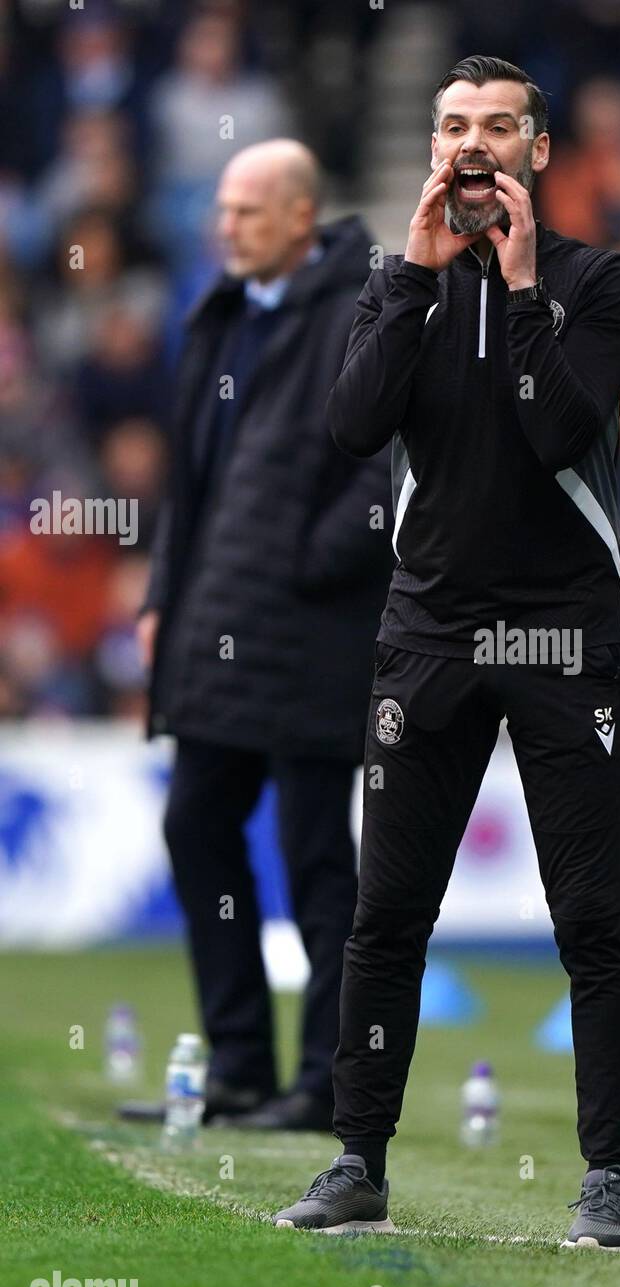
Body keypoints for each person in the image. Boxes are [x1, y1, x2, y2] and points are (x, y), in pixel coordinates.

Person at [274, 57, 620, 1250]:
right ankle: (358, 1160)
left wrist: (526, 282)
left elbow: (556, 428)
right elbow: (350, 424)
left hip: (560, 636)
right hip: (427, 630)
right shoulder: (402, 283)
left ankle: (605, 1179)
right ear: (434, 147)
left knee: (590, 917)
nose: (472, 143)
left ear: (538, 150)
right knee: (385, 916)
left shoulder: (598, 282)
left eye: (497, 125)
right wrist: (411, 276)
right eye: (451, 125)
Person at [137, 139, 391, 1132]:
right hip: (214, 624)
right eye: (223, 210)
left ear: (300, 215)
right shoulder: (219, 312)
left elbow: (385, 475)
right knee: (195, 824)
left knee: (317, 854)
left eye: (247, 210)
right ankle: (237, 1065)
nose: (225, 226)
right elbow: (187, 484)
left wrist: (300, 562)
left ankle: (325, 1084)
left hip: (315, 635)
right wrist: (167, 589)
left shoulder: (361, 310)